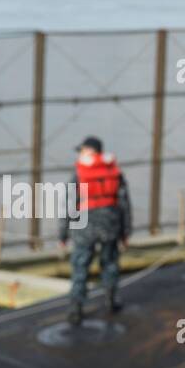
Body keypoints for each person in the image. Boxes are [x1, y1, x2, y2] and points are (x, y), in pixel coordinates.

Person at [59, 136, 130, 326]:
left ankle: (76, 309)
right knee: (110, 264)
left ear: (89, 151)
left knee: (80, 267)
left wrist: (63, 234)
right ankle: (111, 300)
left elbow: (69, 206)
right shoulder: (115, 172)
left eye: (82, 150)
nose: (80, 154)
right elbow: (124, 205)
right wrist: (125, 232)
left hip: (84, 228)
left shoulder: (79, 174)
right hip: (111, 225)